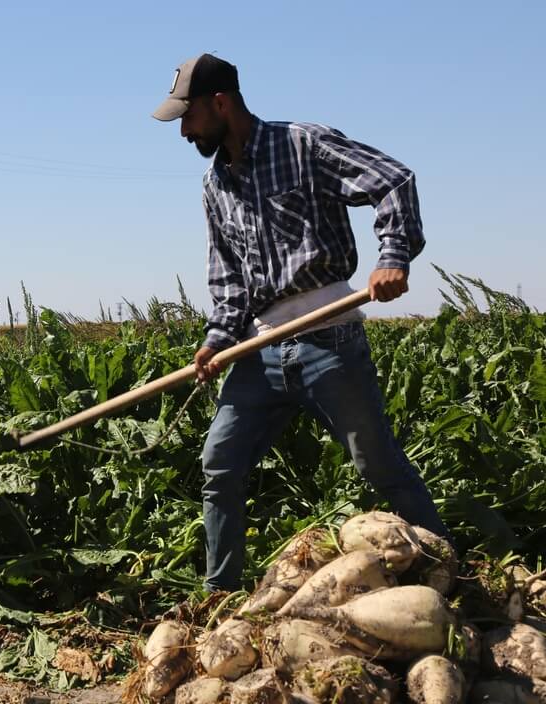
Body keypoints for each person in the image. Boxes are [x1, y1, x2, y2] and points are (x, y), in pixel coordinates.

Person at [152, 54, 449, 592]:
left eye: (188, 117)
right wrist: (218, 338)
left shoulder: (303, 144)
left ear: (219, 103)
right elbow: (228, 277)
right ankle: (220, 598)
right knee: (221, 463)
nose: (185, 130)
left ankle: (446, 573)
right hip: (259, 348)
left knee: (377, 464)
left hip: (328, 335)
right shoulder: (214, 184)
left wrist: (393, 256)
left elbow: (393, 181)